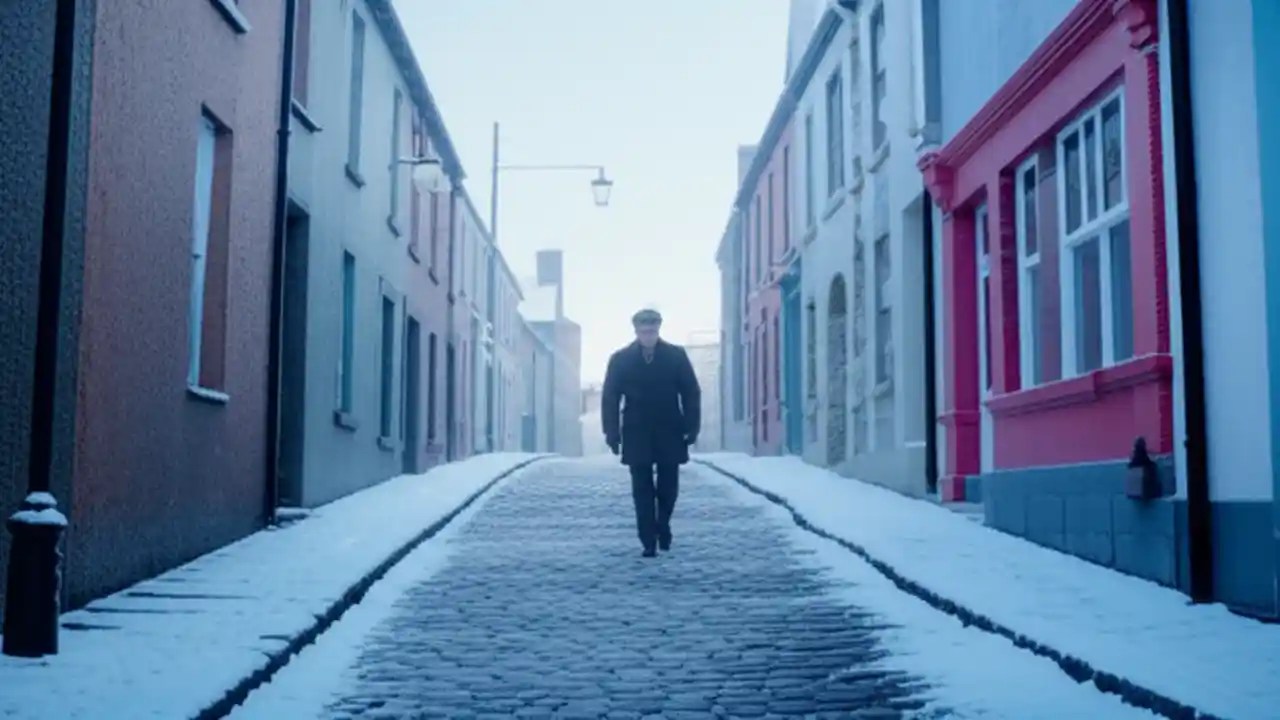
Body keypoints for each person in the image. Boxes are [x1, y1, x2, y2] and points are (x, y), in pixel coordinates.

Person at [601, 308, 701, 558]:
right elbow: (610, 398)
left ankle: (663, 524)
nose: (649, 336)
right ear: (636, 332)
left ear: (659, 330)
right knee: (641, 489)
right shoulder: (621, 359)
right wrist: (612, 433)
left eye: (653, 331)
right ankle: (648, 539)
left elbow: (691, 392)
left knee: (669, 487)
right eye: (644, 332)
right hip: (636, 432)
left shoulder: (676, 356)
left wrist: (692, 426)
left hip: (670, 429)